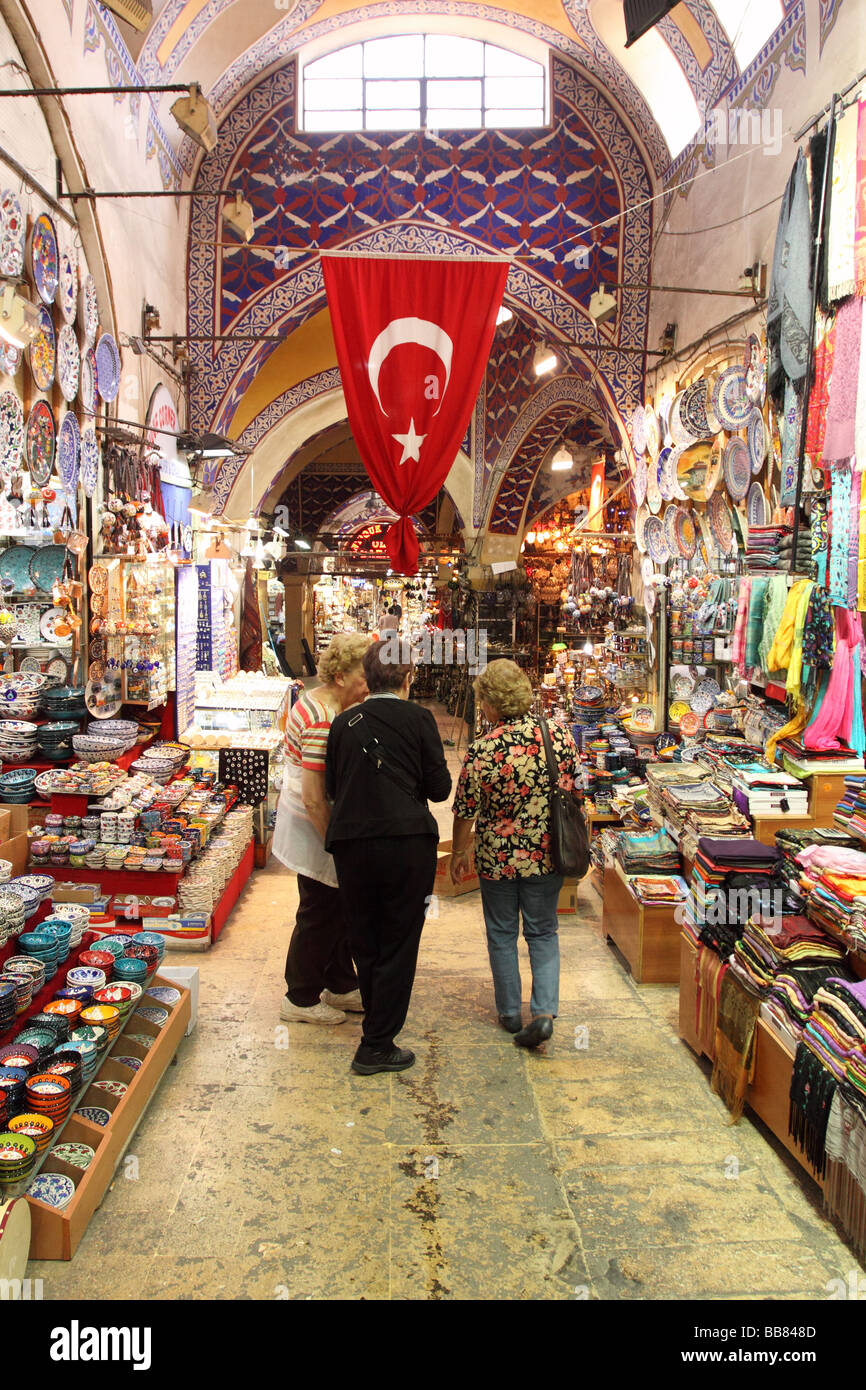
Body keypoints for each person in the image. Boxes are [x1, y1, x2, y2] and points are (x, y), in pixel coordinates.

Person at [326, 639, 452, 1075]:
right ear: (406, 677)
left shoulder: (344, 724)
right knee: (400, 939)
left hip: (353, 845)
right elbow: (439, 789)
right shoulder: (420, 719)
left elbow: (332, 789)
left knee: (365, 936)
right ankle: (377, 1043)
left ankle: (376, 1029)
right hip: (406, 844)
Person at [450, 659, 578, 1049]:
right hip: (546, 853)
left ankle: (509, 1013)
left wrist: (459, 851)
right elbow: (574, 792)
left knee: (502, 933)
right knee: (543, 932)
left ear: (490, 702)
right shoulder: (558, 737)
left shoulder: (483, 750)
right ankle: (542, 1012)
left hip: (497, 858)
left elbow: (465, 809)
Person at [274, 633, 370, 1025]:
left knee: (336, 906)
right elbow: (315, 796)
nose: (369, 684)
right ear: (343, 676)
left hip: (312, 818)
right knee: (319, 910)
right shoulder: (323, 720)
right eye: (365, 676)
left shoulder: (321, 702)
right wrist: (335, 841)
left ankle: (340, 982)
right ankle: (299, 996)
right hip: (312, 823)